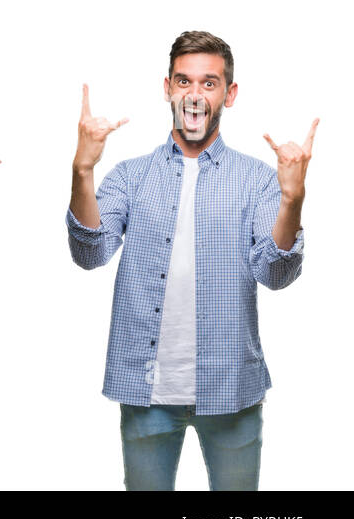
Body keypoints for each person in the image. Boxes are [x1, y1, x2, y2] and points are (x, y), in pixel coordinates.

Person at [66, 31, 315, 490]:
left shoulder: (258, 180)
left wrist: (292, 200)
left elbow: (276, 273)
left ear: (229, 93)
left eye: (209, 82)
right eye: (184, 81)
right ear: (168, 89)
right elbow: (89, 251)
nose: (195, 94)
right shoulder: (130, 175)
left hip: (232, 389)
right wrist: (83, 171)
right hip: (146, 392)